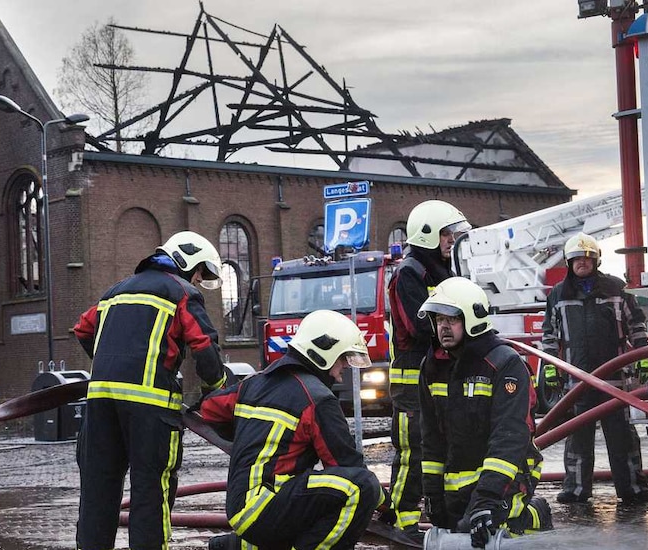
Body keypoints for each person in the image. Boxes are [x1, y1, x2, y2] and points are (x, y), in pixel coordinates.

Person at [72, 231, 229, 550]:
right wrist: (218, 393)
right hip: (151, 413)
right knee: (150, 494)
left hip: (100, 405)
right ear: (188, 263)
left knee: (97, 492)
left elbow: (83, 328)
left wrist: (110, 365)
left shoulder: (114, 292)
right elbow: (204, 346)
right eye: (200, 273)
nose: (199, 281)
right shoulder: (182, 292)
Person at [199, 309, 384, 550]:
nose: (342, 372)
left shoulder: (253, 383)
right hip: (266, 507)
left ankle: (235, 546)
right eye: (342, 360)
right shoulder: (317, 399)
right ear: (324, 353)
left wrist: (247, 434)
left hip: (240, 507)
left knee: (317, 497)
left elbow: (210, 408)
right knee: (361, 486)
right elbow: (345, 464)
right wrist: (385, 504)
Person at [418, 277, 552, 549]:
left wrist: (488, 499)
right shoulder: (432, 367)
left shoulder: (505, 364)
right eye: (438, 319)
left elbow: (509, 437)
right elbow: (431, 438)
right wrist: (432, 495)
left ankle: (533, 515)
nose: (443, 326)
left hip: (507, 476)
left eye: (452, 319)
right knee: (457, 534)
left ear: (472, 319)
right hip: (458, 478)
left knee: (493, 535)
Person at [542, 232, 648, 505]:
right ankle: (576, 490)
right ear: (569, 263)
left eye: (586, 257)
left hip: (614, 381)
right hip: (576, 382)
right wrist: (549, 368)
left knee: (622, 438)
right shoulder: (558, 294)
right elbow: (549, 335)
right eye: (576, 259)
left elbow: (637, 326)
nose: (581, 262)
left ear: (595, 260)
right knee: (578, 438)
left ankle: (633, 490)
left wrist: (643, 358)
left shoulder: (616, 288)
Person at [383, 200, 470, 538]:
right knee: (413, 451)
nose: (452, 240)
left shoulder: (443, 272)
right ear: (429, 234)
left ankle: (437, 514)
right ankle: (404, 522)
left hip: (440, 373)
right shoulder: (409, 273)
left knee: (442, 448)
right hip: (412, 378)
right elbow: (420, 326)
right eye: (447, 234)